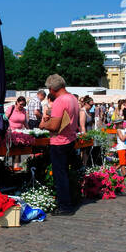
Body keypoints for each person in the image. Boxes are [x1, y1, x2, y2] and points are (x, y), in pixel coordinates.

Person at [41, 74, 80, 214]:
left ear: (52, 89)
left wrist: (44, 124)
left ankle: (65, 206)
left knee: (60, 175)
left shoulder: (59, 101)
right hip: (70, 139)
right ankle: (71, 199)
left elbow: (54, 126)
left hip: (59, 142)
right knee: (66, 172)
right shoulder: (73, 99)